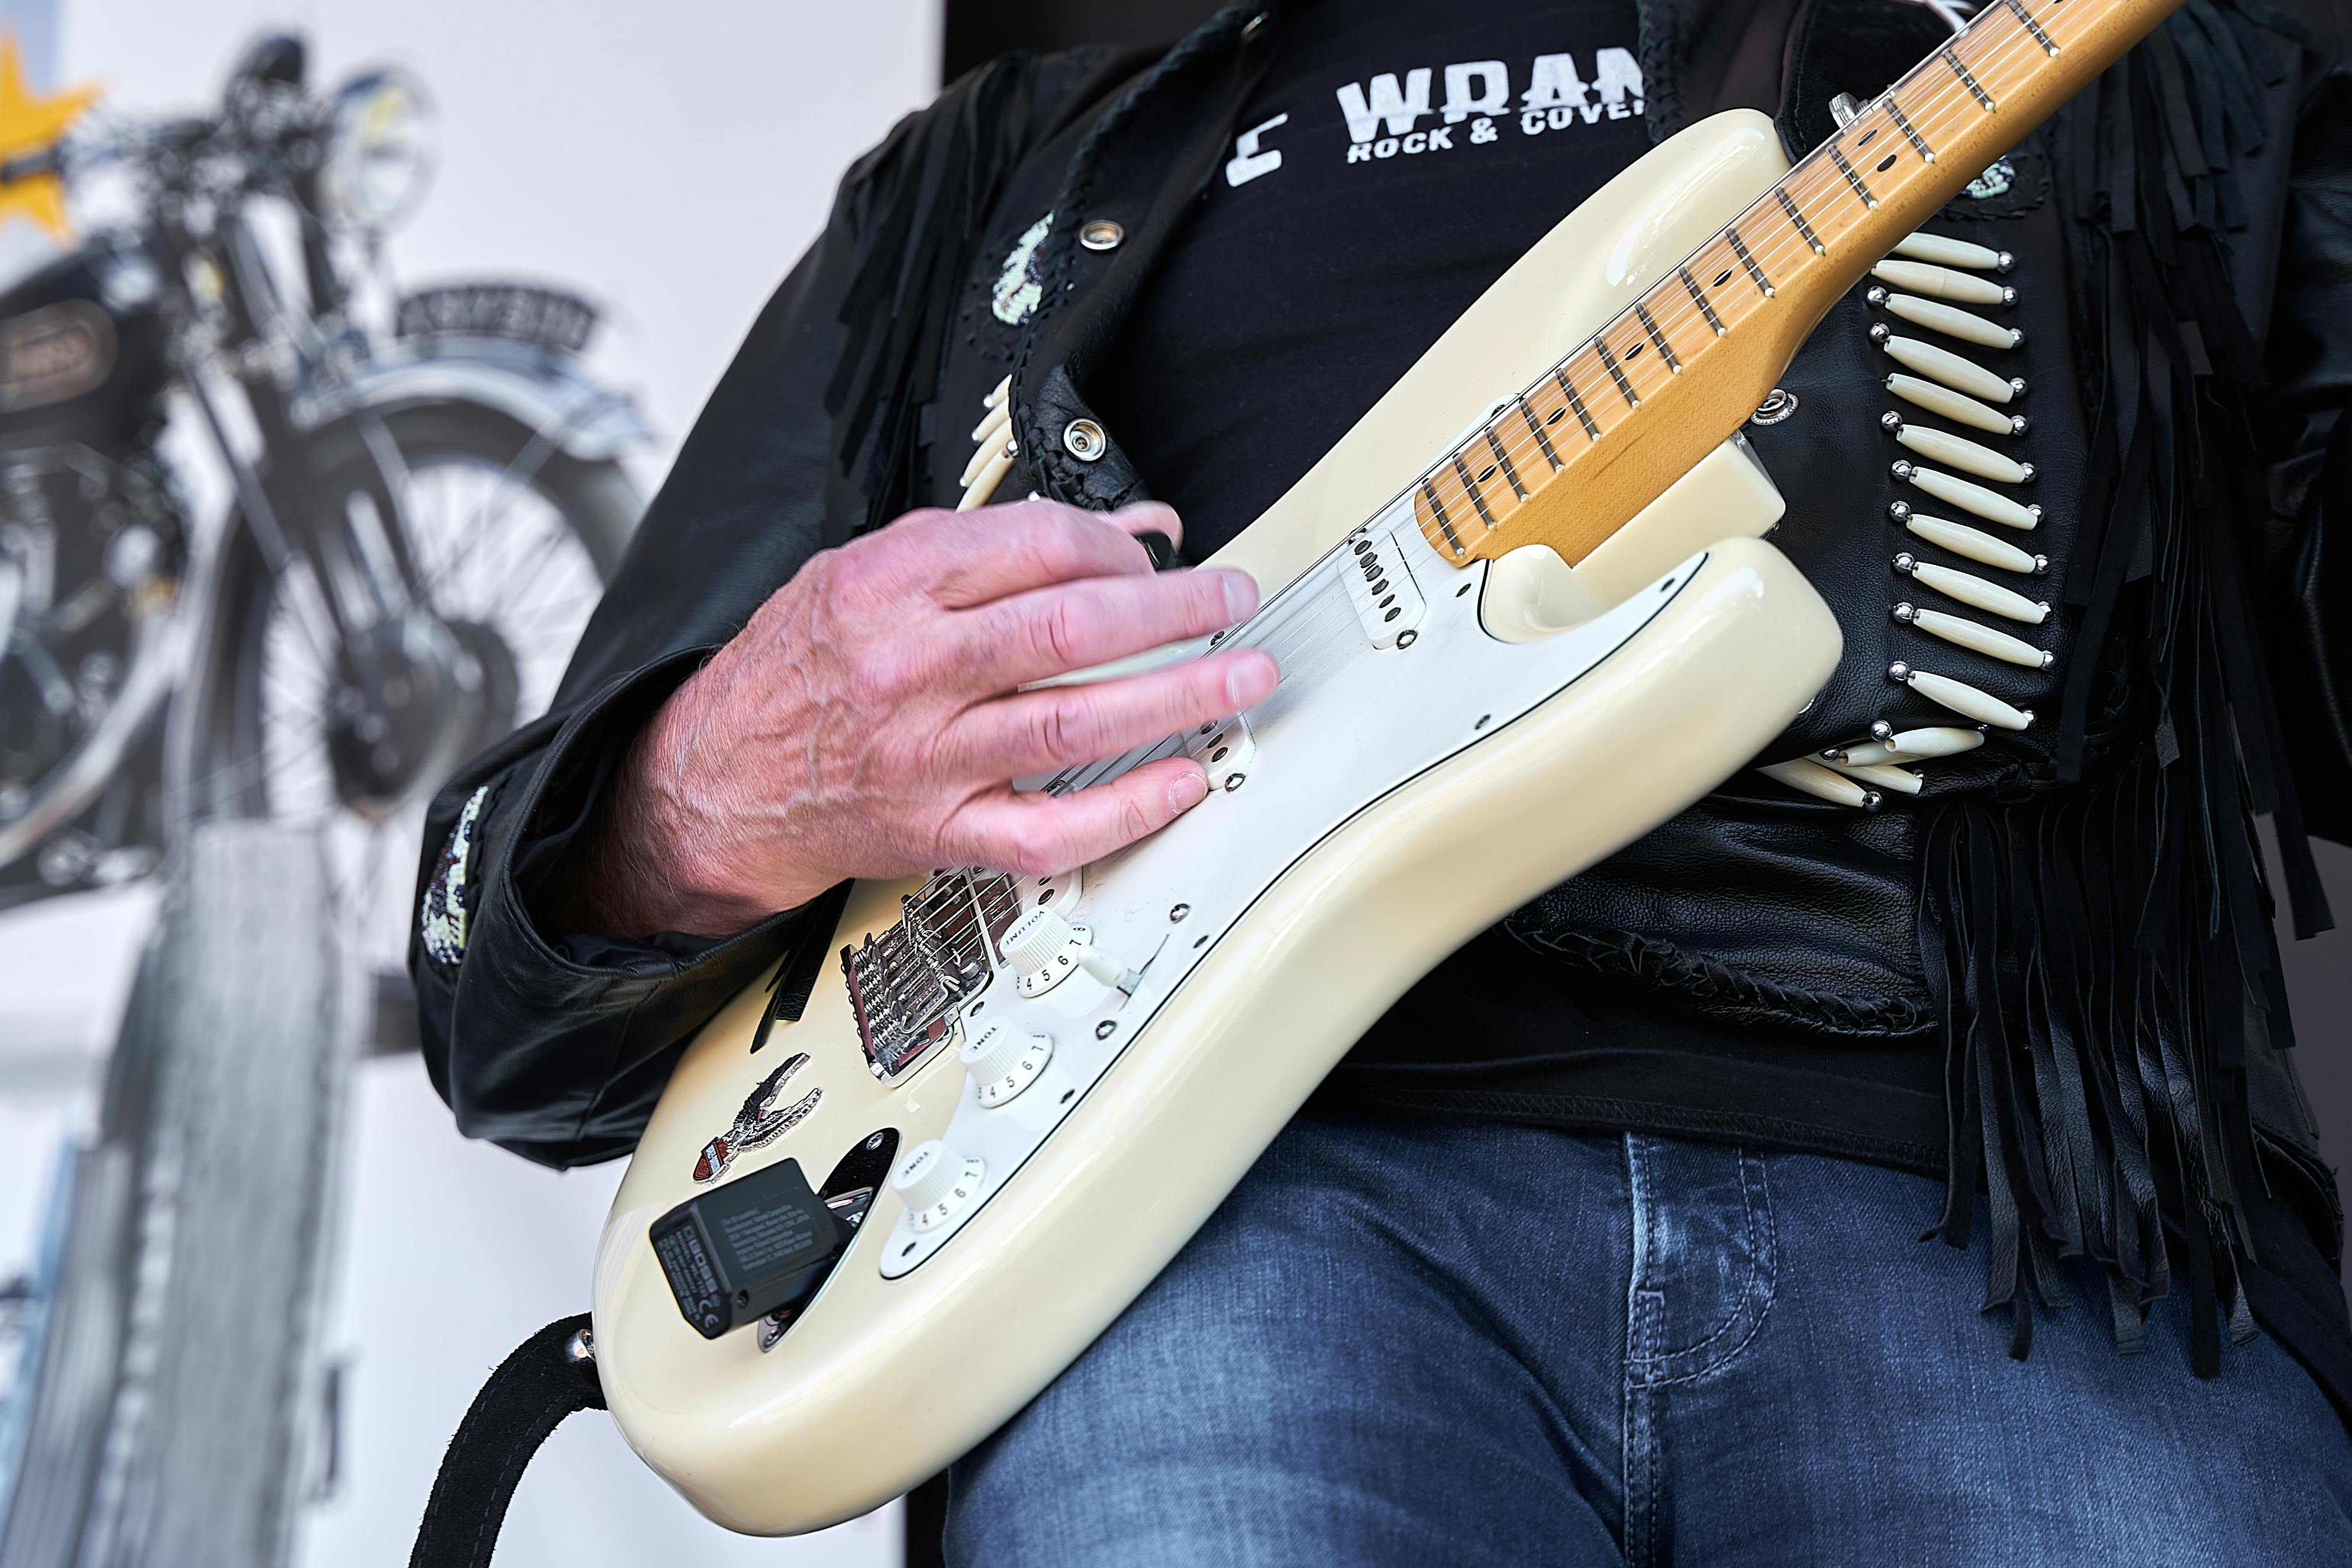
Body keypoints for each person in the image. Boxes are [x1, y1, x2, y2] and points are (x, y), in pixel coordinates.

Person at [411, 0, 2352, 1559]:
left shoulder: (2127, 66)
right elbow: (501, 994)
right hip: (1218, 1197)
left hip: (2023, 1194)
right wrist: (703, 789)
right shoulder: (998, 178)